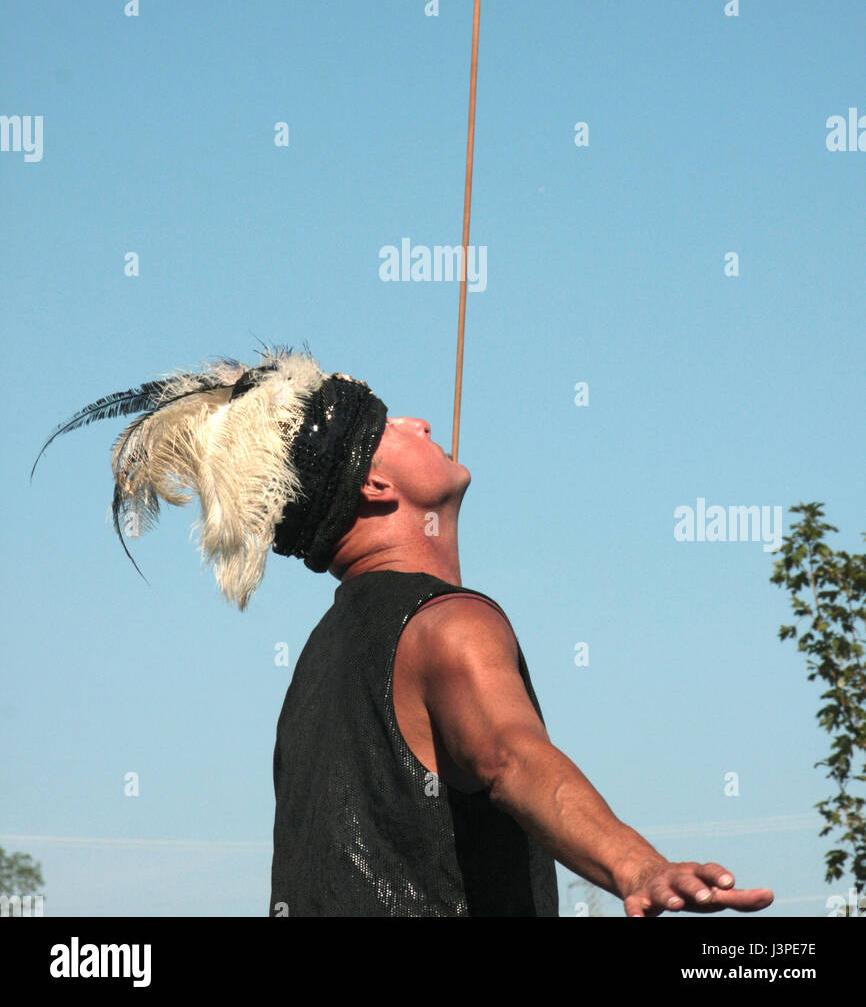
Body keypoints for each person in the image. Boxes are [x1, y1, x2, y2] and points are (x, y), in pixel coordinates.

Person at [33, 346, 774, 919]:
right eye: (391, 427)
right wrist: (637, 865)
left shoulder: (316, 667)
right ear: (375, 488)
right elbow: (512, 761)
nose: (420, 423)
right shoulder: (448, 625)